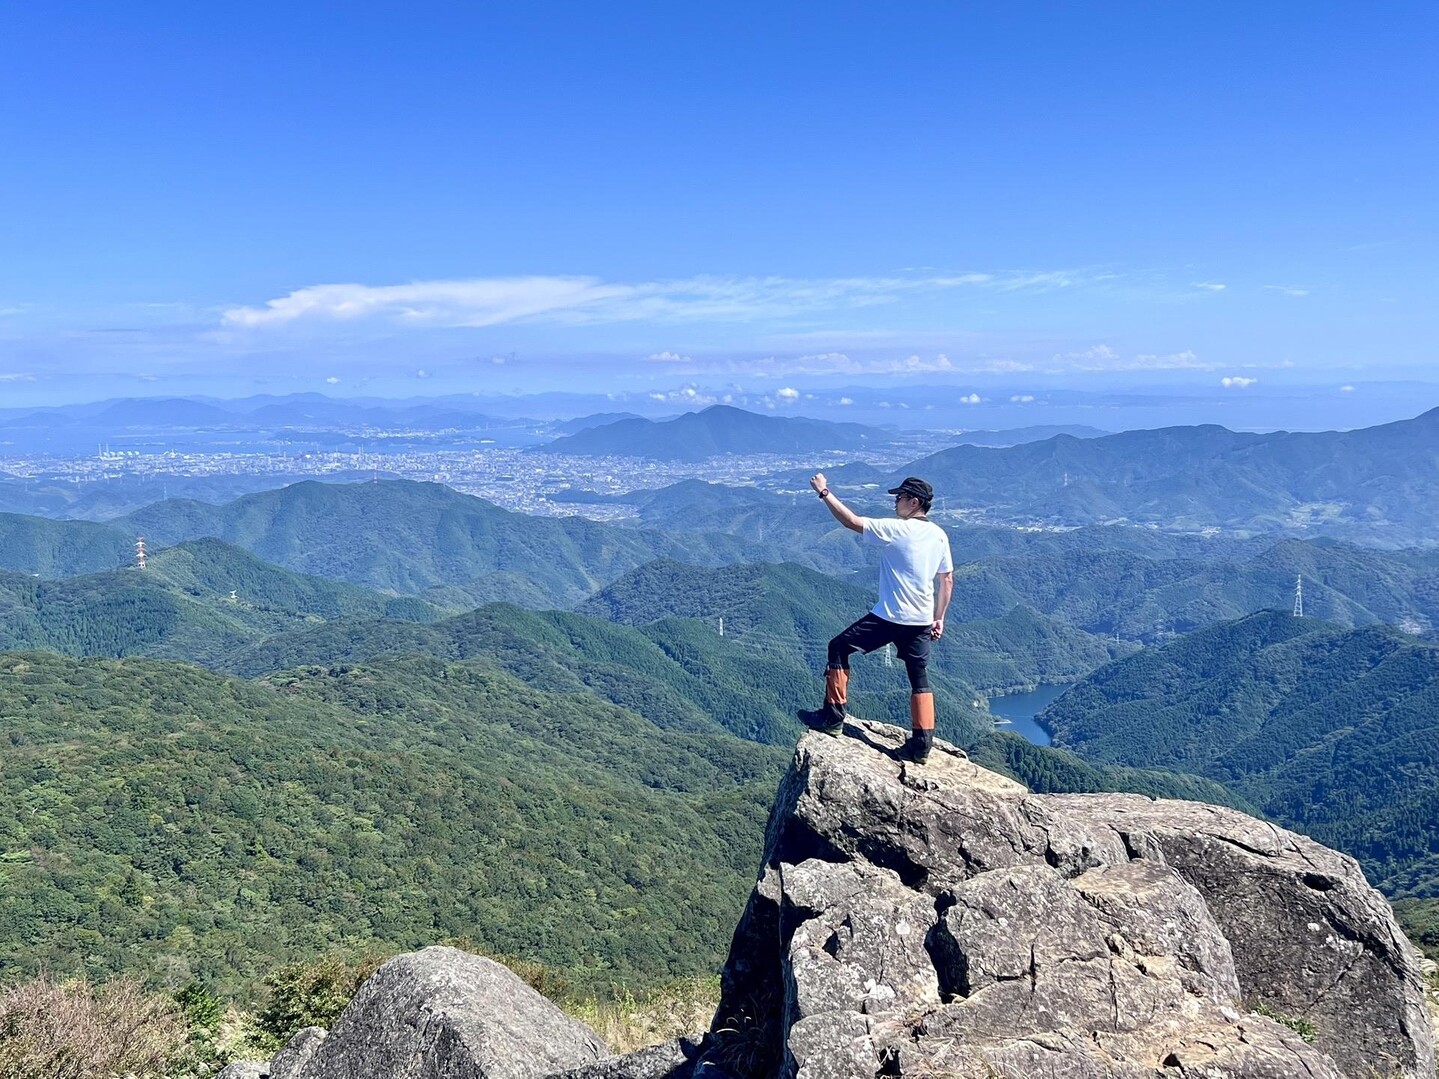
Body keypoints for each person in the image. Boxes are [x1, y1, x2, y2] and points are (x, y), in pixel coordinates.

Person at [798, 473, 953, 763]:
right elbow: (947, 581)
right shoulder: (939, 535)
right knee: (918, 677)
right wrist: (938, 617)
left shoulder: (898, 529)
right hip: (920, 619)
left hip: (890, 616)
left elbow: (851, 521)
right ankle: (921, 745)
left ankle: (832, 718)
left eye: (900, 498)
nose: (895, 502)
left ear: (914, 502)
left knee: (839, 648)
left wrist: (824, 492)